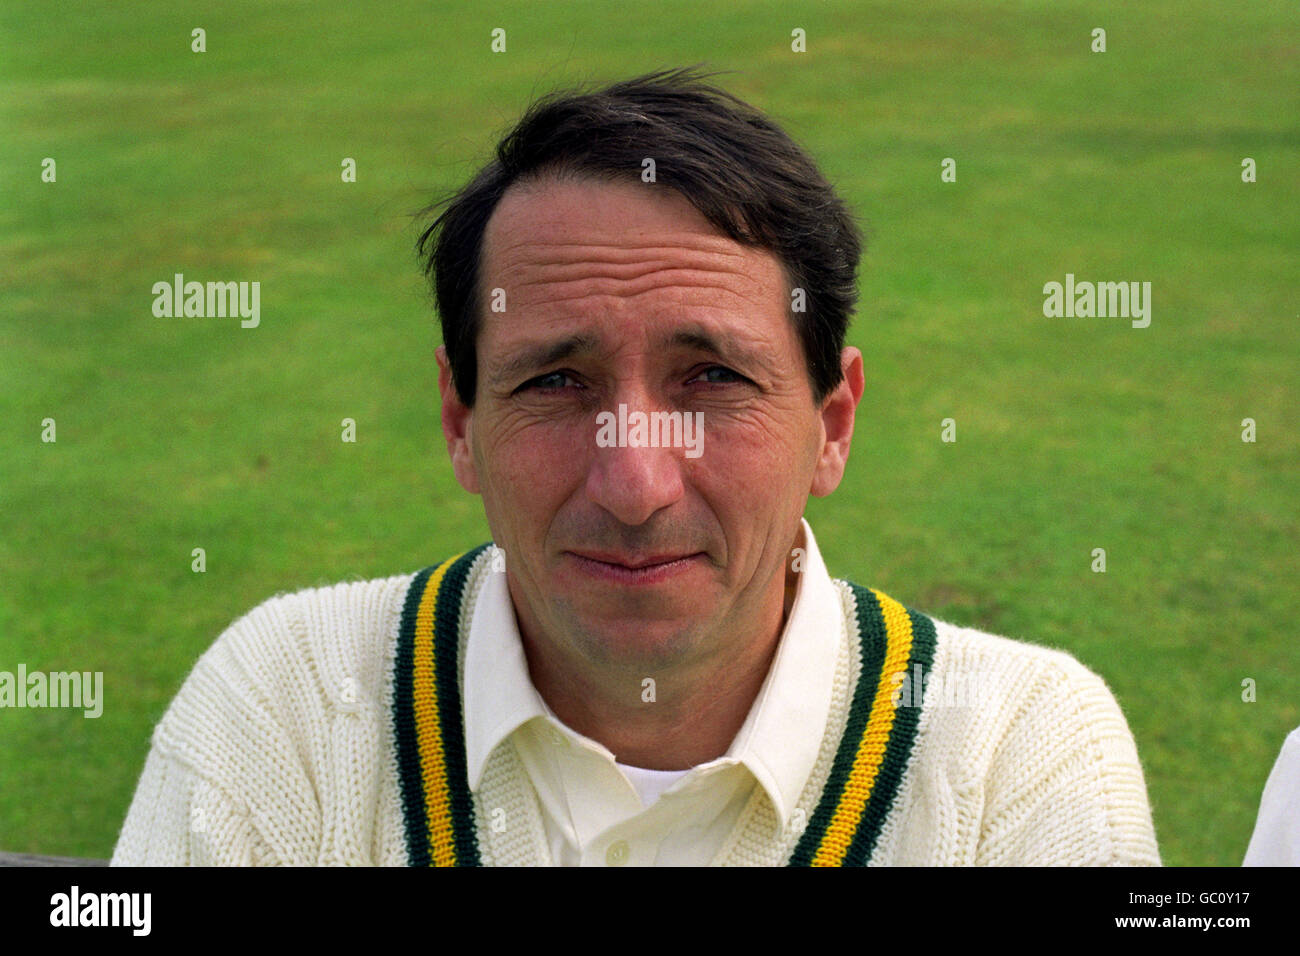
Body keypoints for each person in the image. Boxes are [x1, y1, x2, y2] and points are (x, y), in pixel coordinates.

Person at [111, 68, 1160, 866]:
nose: (634, 484)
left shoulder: (1014, 752)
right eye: (556, 383)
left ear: (831, 423)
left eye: (709, 377)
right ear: (458, 417)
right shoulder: (291, 703)